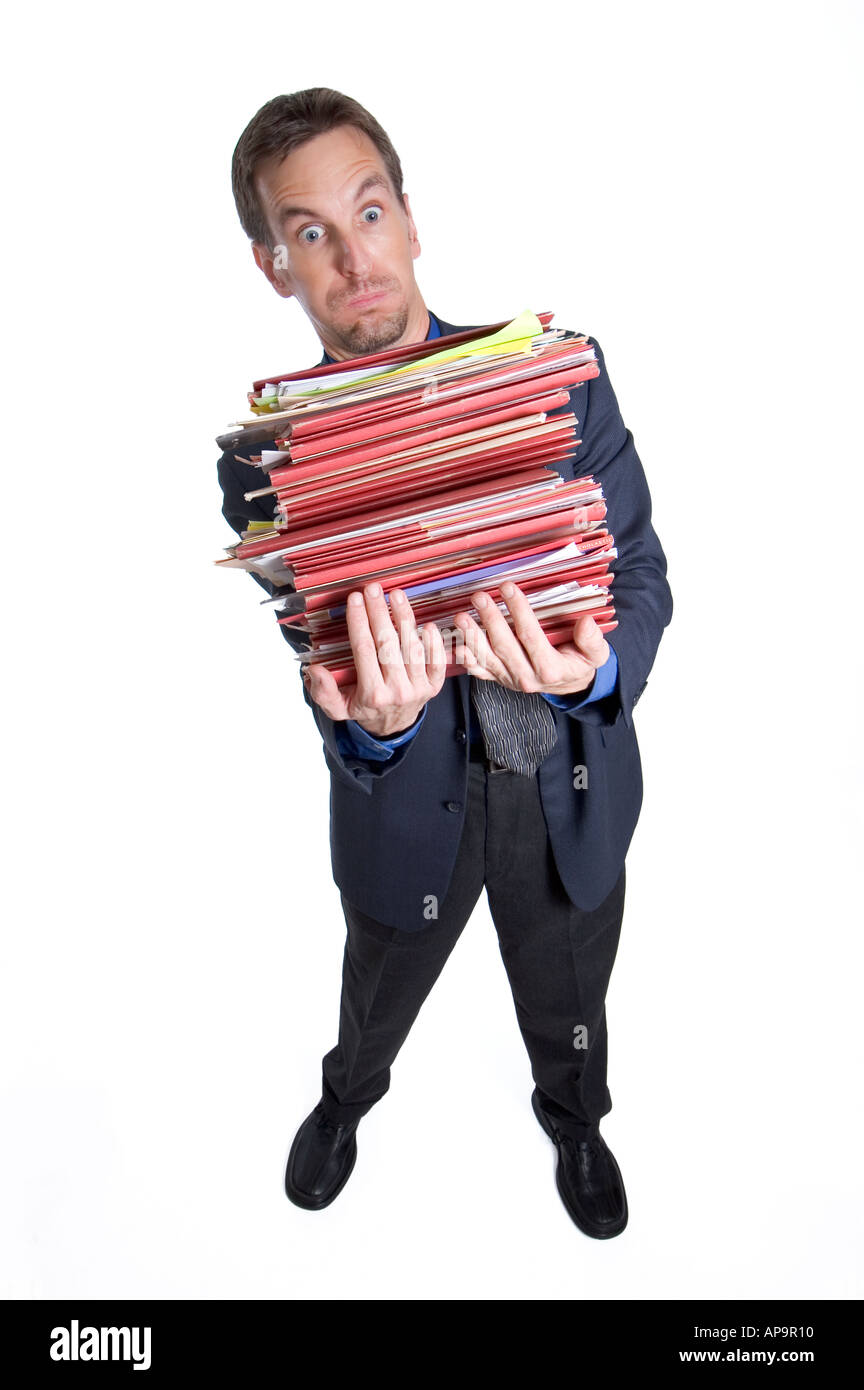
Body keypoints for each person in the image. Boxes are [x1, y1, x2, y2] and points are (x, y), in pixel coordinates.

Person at [218, 87, 673, 1238]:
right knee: (376, 993)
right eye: (309, 230)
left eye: (368, 212)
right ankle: (346, 1100)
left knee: (572, 996)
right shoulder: (272, 468)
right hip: (409, 798)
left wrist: (594, 674)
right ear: (276, 265)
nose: (352, 256)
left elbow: (644, 579)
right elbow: (324, 664)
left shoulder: (557, 377)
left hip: (563, 784)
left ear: (412, 221)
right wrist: (371, 727)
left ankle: (575, 1120)